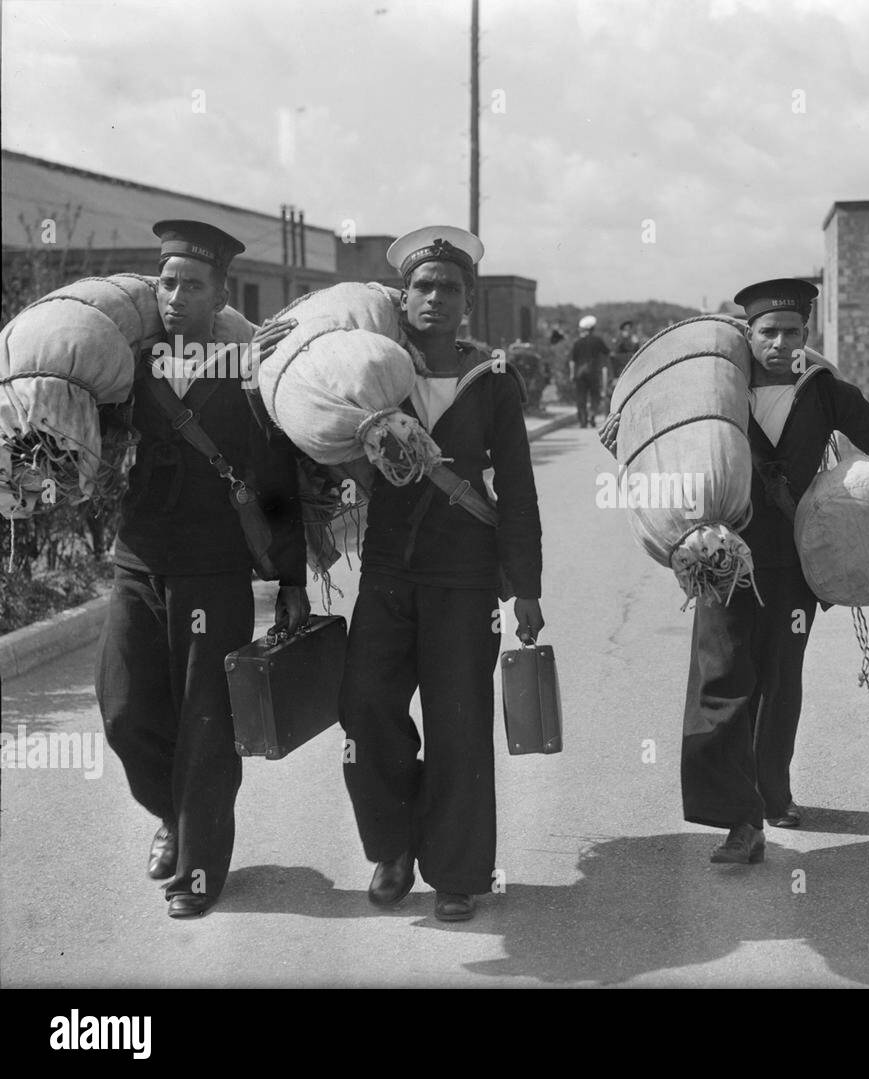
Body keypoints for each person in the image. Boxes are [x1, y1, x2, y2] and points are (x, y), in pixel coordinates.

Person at [96, 219, 309, 918]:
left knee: (208, 720)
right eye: (167, 281)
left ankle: (198, 868)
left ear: (220, 295)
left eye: (192, 284)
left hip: (213, 569)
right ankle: (174, 814)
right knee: (125, 708)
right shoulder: (131, 358)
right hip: (139, 558)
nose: (175, 295)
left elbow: (276, 477)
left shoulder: (249, 369)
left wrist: (292, 579)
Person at [339, 226, 544, 922]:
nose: (434, 298)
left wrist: (528, 587)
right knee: (364, 709)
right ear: (404, 296)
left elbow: (517, 486)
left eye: (448, 288)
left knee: (459, 722)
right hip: (389, 572)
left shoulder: (493, 380)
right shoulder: (373, 373)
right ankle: (393, 846)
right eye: (422, 286)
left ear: (469, 300)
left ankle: (456, 871)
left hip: (465, 577)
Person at [681, 278, 869, 864]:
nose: (781, 342)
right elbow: (663, 437)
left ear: (806, 335)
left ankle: (772, 790)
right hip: (724, 560)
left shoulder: (825, 392)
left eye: (792, 331)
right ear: (749, 334)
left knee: (780, 677)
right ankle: (738, 818)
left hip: (795, 564)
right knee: (723, 678)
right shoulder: (720, 387)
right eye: (769, 332)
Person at [569, 314, 609, 428]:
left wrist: (572, 374)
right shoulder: (597, 341)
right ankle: (592, 414)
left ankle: (582, 420)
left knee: (581, 397)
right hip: (593, 372)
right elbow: (607, 353)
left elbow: (572, 360)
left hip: (580, 374)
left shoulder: (577, 342)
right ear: (593, 329)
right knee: (594, 395)